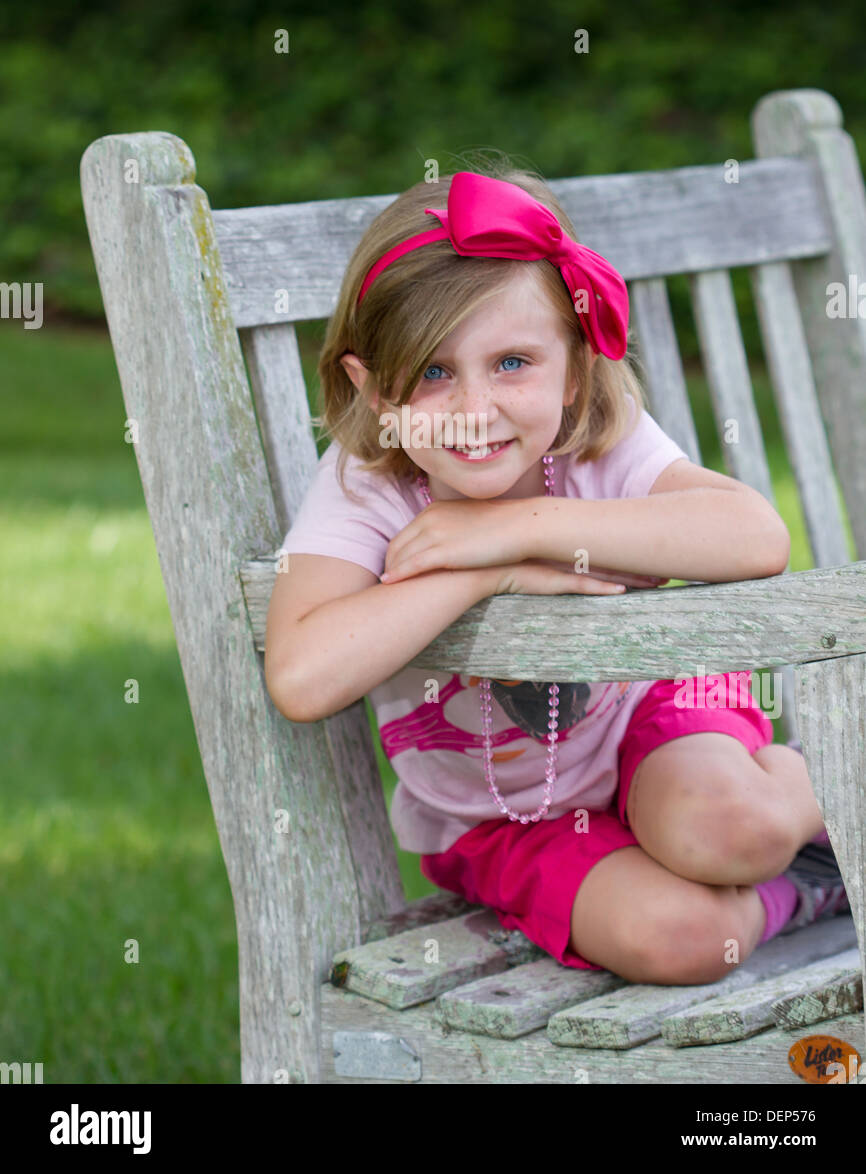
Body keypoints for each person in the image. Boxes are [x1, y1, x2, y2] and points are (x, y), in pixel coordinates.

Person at [264, 158, 849, 985]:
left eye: (512, 363)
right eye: (433, 371)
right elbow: (300, 674)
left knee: (732, 831)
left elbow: (754, 535)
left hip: (657, 720)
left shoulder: (599, 441)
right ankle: (810, 887)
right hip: (500, 811)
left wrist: (512, 526)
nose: (477, 408)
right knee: (682, 939)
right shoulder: (369, 489)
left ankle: (825, 800)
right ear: (372, 388)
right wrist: (476, 574)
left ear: (574, 368)